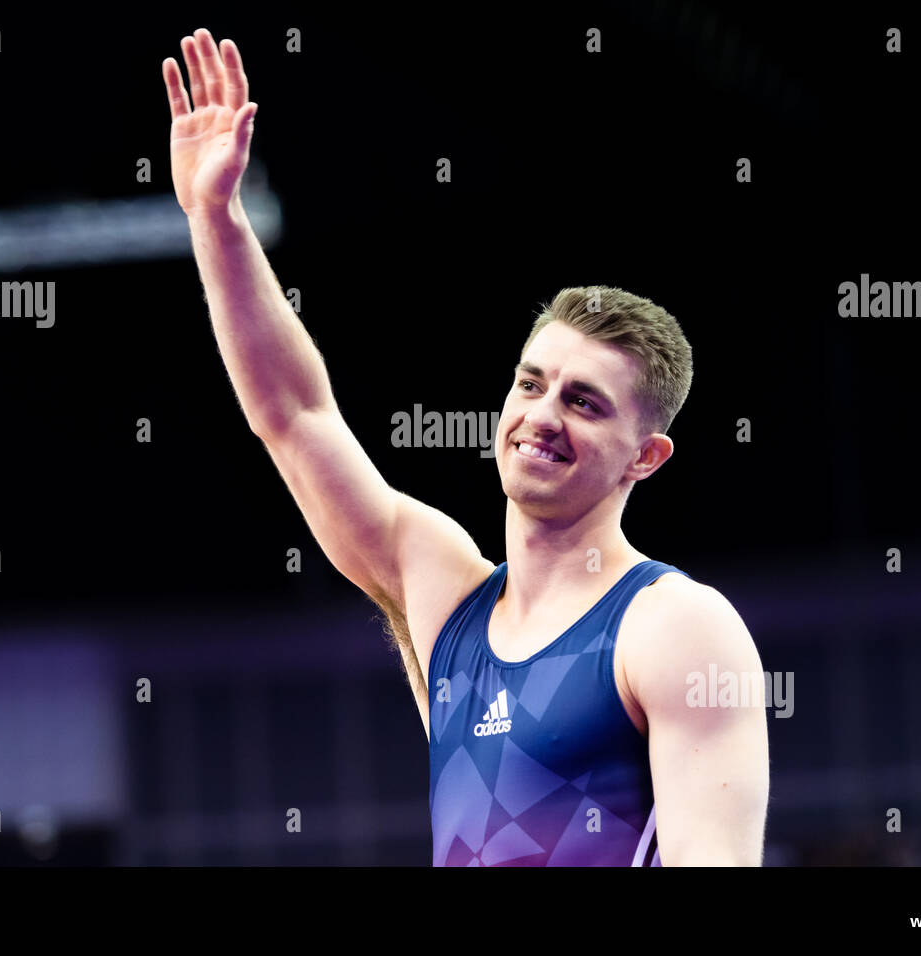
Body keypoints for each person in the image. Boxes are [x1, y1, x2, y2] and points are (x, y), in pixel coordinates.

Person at [162, 28, 769, 866]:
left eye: (585, 402)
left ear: (645, 457)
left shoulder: (676, 627)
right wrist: (216, 219)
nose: (543, 415)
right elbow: (295, 415)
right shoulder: (446, 598)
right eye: (531, 383)